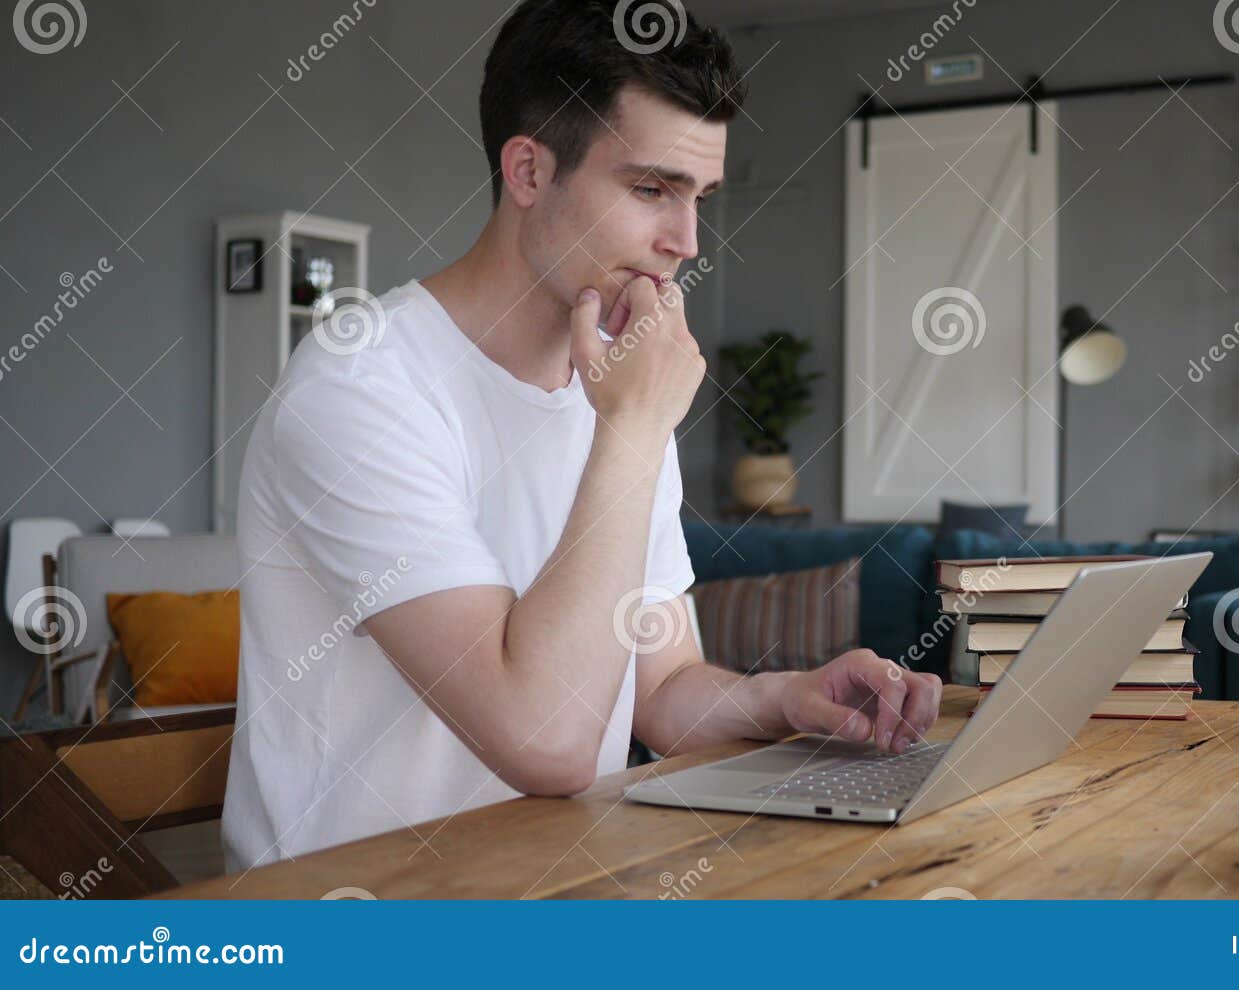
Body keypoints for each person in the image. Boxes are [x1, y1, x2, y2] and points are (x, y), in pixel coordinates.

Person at [221, 0, 942, 871]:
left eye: (700, 198)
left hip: (559, 892)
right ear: (528, 170)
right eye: (651, 189)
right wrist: (635, 426)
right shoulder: (359, 388)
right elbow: (550, 744)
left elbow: (662, 689)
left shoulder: (619, 388)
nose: (685, 242)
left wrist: (788, 698)